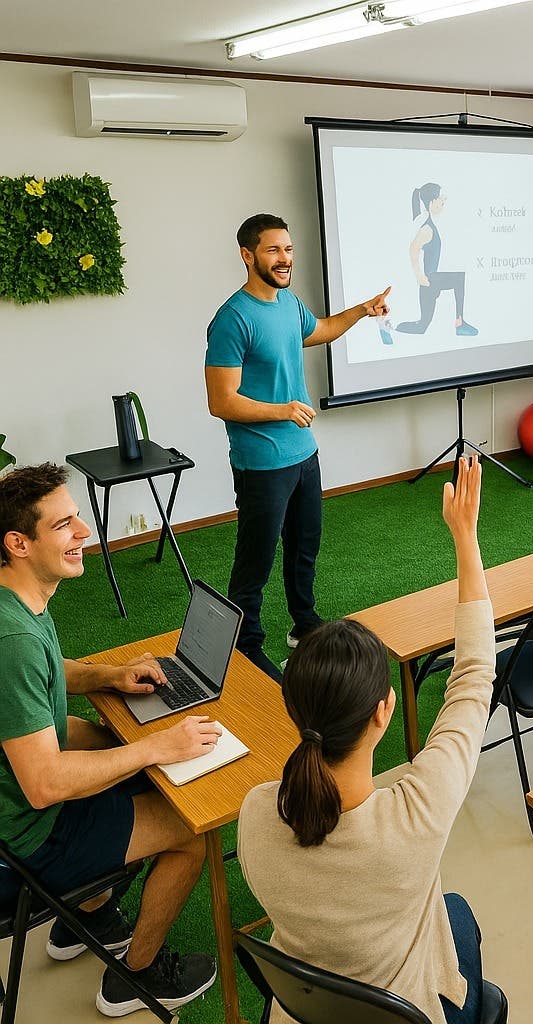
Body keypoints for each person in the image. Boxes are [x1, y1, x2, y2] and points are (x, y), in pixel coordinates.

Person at [239, 456, 493, 1024]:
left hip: (303, 1012)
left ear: (293, 707)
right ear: (384, 711)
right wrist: (466, 536)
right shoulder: (417, 815)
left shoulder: (255, 813)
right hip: (404, 1011)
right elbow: (474, 676)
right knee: (459, 916)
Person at [0, 463, 221, 1018]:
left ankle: (90, 919)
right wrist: (156, 747)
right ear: (18, 543)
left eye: (77, 518)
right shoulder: (12, 640)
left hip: (17, 805)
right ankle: (135, 979)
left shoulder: (17, 600)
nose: (84, 532)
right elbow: (45, 783)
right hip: (29, 840)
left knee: (119, 753)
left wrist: (111, 675)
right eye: (64, 525)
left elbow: (49, 672)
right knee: (190, 831)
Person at [205, 213, 392, 679]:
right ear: (247, 255)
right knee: (255, 561)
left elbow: (319, 330)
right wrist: (283, 410)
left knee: (304, 547)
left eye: (288, 249)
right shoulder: (232, 320)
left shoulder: (287, 303)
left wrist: (362, 310)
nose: (284, 258)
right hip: (261, 461)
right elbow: (221, 401)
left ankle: (304, 625)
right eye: (273, 250)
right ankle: (246, 646)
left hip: (303, 453)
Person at [391, 183, 477, 338]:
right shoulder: (427, 229)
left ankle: (460, 323)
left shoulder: (434, 224)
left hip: (433, 279)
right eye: (440, 198)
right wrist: (419, 276)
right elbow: (413, 249)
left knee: (459, 277)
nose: (443, 200)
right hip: (429, 282)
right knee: (422, 326)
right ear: (431, 203)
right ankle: (395, 327)